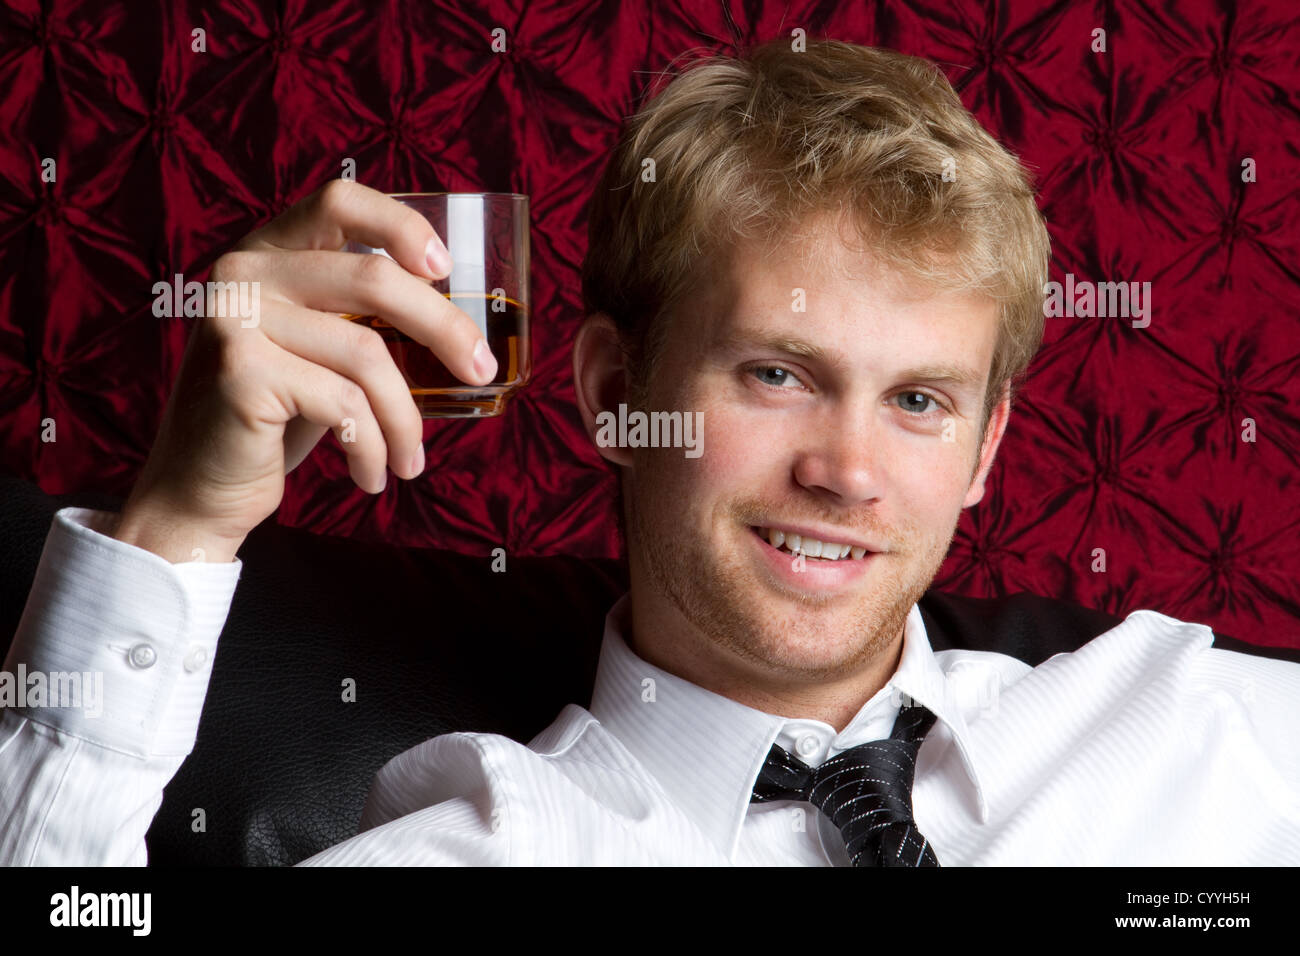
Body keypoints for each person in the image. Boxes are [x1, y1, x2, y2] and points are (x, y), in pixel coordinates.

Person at [2, 39, 1296, 866]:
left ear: (984, 448)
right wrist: (177, 524)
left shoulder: (1190, 729)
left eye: (918, 402)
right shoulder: (475, 847)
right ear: (616, 391)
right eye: (778, 376)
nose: (846, 471)